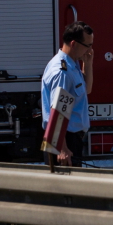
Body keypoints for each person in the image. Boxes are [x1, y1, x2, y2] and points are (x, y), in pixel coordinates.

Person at [41, 22, 94, 165]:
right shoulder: (62, 72)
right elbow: (57, 111)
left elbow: (87, 90)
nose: (90, 50)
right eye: (87, 45)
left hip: (68, 139)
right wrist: (62, 148)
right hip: (63, 141)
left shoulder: (72, 65)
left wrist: (88, 64)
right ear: (74, 44)